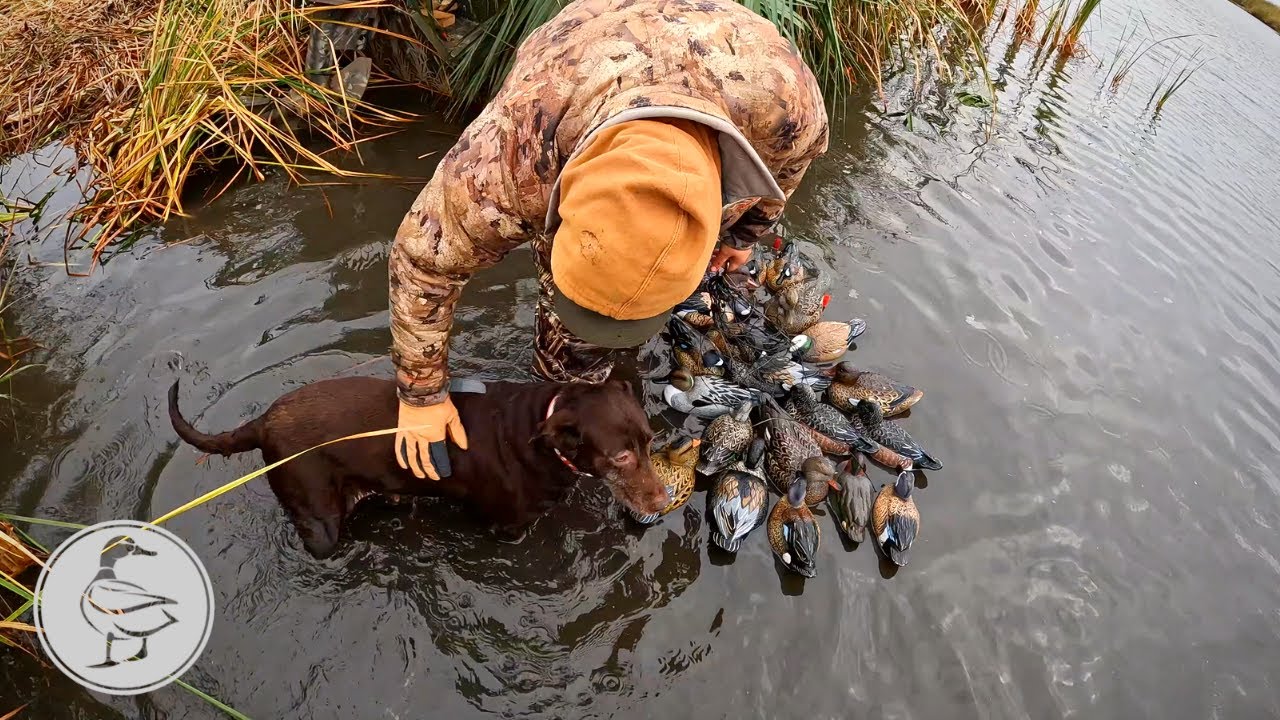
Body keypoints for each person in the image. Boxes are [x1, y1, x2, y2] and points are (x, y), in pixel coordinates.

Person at [389, 0, 829, 480]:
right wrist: (421, 396)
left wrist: (745, 232)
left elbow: (790, 167)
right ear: (559, 214)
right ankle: (562, 383)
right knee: (568, 356)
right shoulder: (512, 161)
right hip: (583, 52)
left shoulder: (786, 111)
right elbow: (421, 262)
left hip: (734, 60)